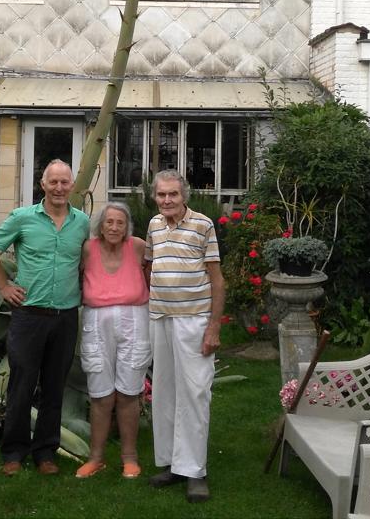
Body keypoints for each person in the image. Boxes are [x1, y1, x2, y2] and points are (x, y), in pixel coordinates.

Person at [0, 159, 89, 477]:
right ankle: (13, 452)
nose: (59, 188)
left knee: (56, 386)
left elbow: (86, 261)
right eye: (53, 182)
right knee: (22, 385)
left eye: (64, 182)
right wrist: (3, 285)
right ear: (42, 184)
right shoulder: (22, 218)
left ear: (72, 186)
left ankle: (45, 452)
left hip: (66, 316)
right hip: (29, 316)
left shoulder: (81, 222)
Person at [144, 170, 225, 505]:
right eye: (161, 195)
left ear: (184, 195)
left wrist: (214, 327)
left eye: (173, 194)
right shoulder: (153, 226)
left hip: (194, 320)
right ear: (155, 197)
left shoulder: (203, 225)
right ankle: (172, 464)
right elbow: (150, 265)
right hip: (161, 318)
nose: (167, 200)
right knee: (165, 393)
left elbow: (217, 281)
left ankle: (195, 471)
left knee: (195, 393)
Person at [76, 201, 150, 480]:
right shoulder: (88, 248)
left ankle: (129, 458)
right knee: (100, 393)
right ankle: (96, 458)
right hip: (96, 322)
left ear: (127, 226)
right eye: (109, 222)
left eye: (120, 222)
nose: (114, 227)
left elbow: (154, 274)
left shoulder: (139, 246)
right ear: (101, 225)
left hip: (134, 320)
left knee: (129, 392)